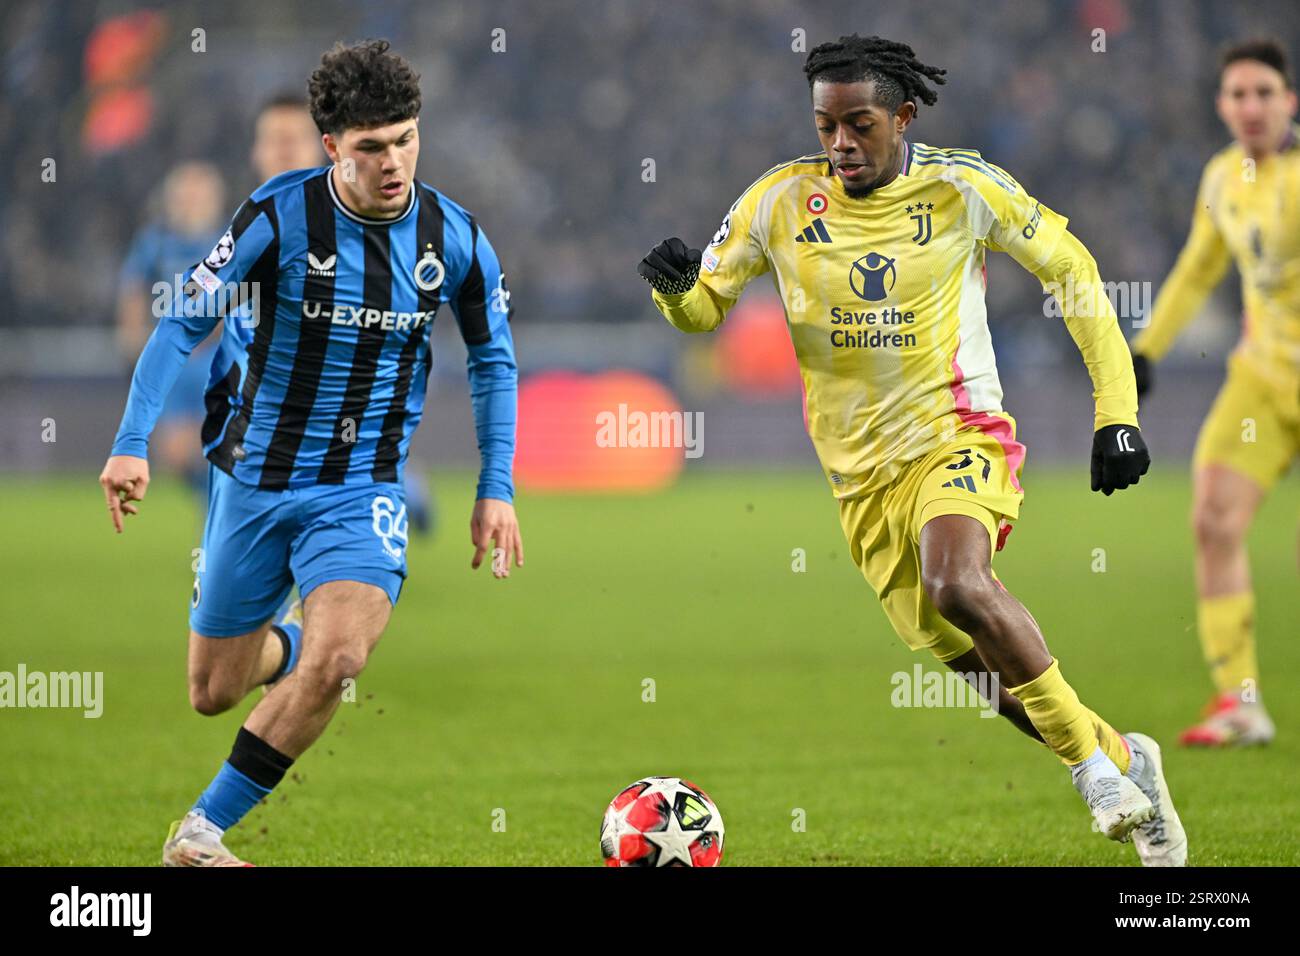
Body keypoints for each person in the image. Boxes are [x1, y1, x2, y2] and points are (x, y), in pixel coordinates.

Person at [639, 34, 1185, 865]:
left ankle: (1091, 772)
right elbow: (707, 307)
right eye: (825, 127)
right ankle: (1121, 757)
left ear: (904, 115)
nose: (840, 145)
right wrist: (674, 290)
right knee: (985, 675)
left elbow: (1072, 271)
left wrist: (1117, 412)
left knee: (955, 578)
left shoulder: (963, 187)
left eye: (859, 124)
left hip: (956, 436)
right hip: (860, 484)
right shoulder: (780, 202)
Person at [98, 39, 523, 866]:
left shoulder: (456, 237)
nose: (393, 162)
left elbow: (493, 359)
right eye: (370, 147)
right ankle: (287, 639)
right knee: (212, 691)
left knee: (343, 657)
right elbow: (184, 321)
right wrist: (130, 442)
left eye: (405, 139)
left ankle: (201, 830)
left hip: (361, 484)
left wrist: (495, 485)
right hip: (253, 477)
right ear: (332, 146)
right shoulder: (275, 215)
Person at [1132, 40, 1298, 748]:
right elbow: (1198, 269)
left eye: (1264, 92)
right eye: (1238, 94)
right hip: (1263, 378)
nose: (1251, 106)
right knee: (1214, 521)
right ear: (1222, 105)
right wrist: (1144, 348)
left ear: (1290, 100)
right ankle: (1243, 701)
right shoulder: (1222, 177)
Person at [116, 161, 226, 498]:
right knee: (177, 453)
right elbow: (133, 289)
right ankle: (211, 507)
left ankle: (218, 518)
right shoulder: (155, 242)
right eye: (184, 194)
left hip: (217, 360)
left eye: (198, 194)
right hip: (174, 361)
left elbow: (242, 294)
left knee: (220, 444)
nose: (190, 201)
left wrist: (218, 335)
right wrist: (133, 341)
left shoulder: (227, 238)